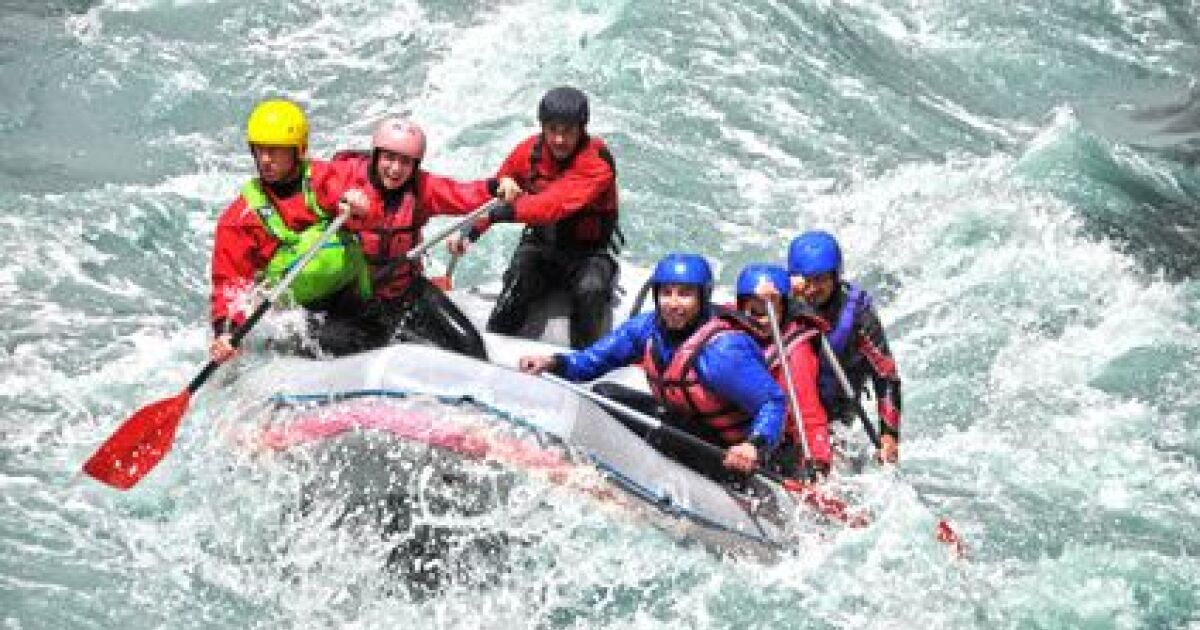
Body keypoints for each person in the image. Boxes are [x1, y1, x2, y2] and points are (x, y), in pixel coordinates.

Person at [518, 253, 787, 478]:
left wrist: (753, 446)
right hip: (684, 425)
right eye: (666, 293)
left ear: (702, 297)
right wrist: (553, 363)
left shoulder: (723, 351)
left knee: (661, 431)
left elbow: (773, 402)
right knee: (604, 394)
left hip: (725, 453)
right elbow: (593, 361)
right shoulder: (647, 327)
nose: (673, 304)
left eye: (685, 294)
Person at [309, 117, 523, 359]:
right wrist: (342, 201)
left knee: (470, 346)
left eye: (405, 162)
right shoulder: (346, 176)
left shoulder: (422, 188)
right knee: (335, 345)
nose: (395, 169)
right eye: (389, 158)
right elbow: (306, 181)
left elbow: (459, 193)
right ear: (376, 156)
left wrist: (495, 187)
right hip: (352, 299)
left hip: (405, 292)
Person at [448, 86, 620, 348]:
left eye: (568, 131)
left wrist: (505, 214)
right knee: (517, 281)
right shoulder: (528, 152)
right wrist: (469, 232)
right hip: (541, 246)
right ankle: (490, 349)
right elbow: (496, 196)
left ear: (581, 130)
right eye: (552, 129)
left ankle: (586, 359)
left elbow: (553, 204)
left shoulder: (597, 162)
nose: (559, 139)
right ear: (542, 127)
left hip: (588, 254)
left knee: (591, 289)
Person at [209, 99, 371, 364]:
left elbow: (357, 202)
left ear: (299, 150)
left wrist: (359, 206)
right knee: (338, 340)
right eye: (259, 150)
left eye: (274, 151)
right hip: (296, 319)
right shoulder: (239, 220)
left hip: (348, 296)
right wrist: (225, 333)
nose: (264, 159)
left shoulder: (325, 179)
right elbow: (229, 284)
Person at [787, 231, 902, 463]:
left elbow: (885, 376)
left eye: (820, 280)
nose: (812, 289)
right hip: (791, 407)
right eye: (806, 280)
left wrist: (889, 436)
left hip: (835, 412)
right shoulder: (781, 302)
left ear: (835, 277)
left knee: (831, 461)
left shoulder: (858, 315)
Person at [734, 263, 832, 476]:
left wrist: (818, 464)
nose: (762, 321)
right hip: (736, 425)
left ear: (784, 309)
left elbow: (810, 420)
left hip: (778, 440)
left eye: (769, 311)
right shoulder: (729, 328)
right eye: (755, 312)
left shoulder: (795, 355)